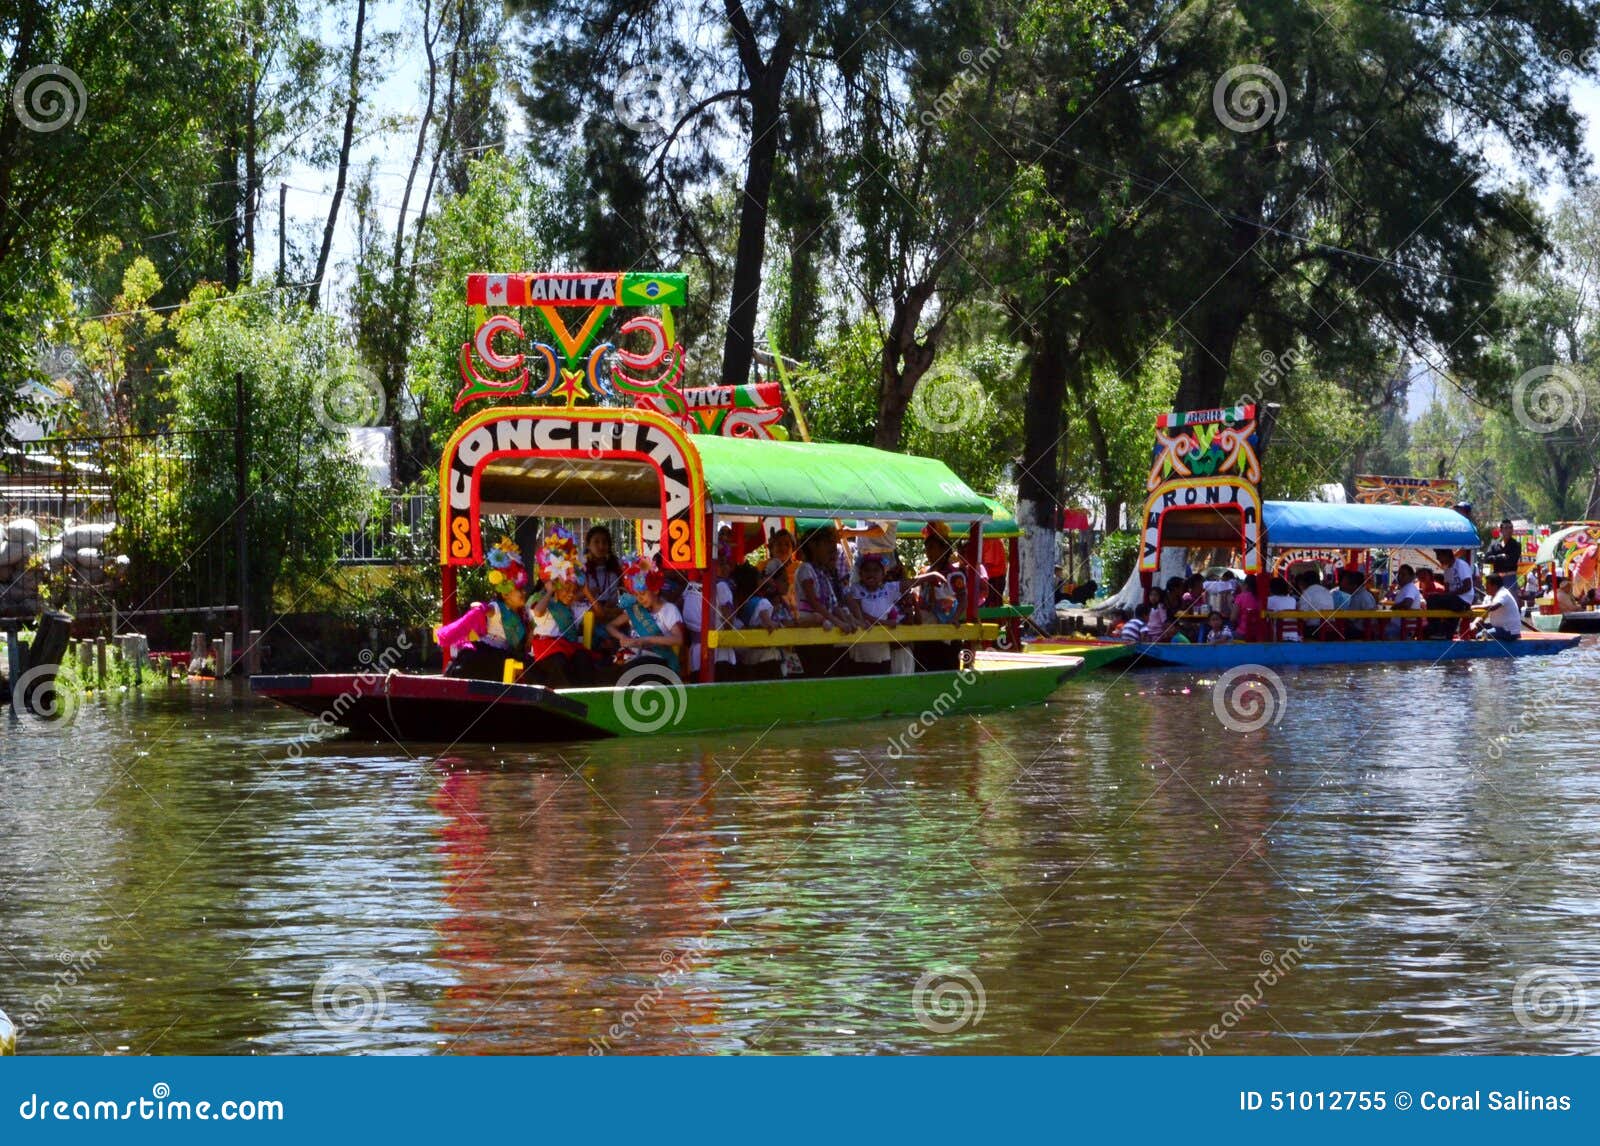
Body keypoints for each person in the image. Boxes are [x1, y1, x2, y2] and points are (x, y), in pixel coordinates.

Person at [436, 536, 530, 680]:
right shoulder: (497, 608)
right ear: (505, 594)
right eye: (519, 590)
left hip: (506, 655)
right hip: (489, 653)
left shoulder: (523, 614)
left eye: (523, 589)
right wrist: (481, 608)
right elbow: (485, 609)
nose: (524, 593)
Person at [526, 526, 596, 687]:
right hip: (546, 649)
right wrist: (550, 591)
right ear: (556, 586)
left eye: (573, 590)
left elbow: (597, 613)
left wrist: (585, 592)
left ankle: (587, 694)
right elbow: (537, 612)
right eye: (566, 589)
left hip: (565, 646)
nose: (570, 594)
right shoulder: (543, 601)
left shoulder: (573, 607)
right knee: (559, 661)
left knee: (583, 657)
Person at [607, 557, 687, 675]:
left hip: (658, 657)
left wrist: (646, 640)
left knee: (631, 670)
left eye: (643, 594)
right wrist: (622, 637)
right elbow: (610, 626)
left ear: (655, 590)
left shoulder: (669, 609)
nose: (640, 598)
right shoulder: (636, 608)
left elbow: (679, 639)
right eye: (636, 594)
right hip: (633, 653)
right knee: (612, 670)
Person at [848, 553, 909, 674]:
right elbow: (860, 614)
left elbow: (911, 583)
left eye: (876, 570)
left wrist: (931, 576)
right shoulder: (855, 589)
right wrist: (885, 623)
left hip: (882, 652)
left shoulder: (888, 590)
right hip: (861, 652)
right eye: (867, 570)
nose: (871, 573)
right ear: (860, 573)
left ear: (883, 574)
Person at [728, 562, 785, 679]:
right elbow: (768, 625)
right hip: (767, 660)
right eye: (760, 577)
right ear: (754, 582)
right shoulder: (762, 603)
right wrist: (777, 624)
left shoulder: (738, 606)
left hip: (746, 661)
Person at [1424, 547, 1475, 637]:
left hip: (1463, 600)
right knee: (1433, 598)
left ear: (1447, 555)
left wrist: (1447, 595)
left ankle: (1436, 630)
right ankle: (1443, 633)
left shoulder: (1461, 565)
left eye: (1439, 556)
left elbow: (1467, 586)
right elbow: (1447, 590)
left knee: (1432, 600)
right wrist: (1441, 595)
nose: (1437, 558)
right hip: (1454, 600)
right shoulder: (1447, 570)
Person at [583, 526, 624, 621]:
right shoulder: (581, 569)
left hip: (613, 614)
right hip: (590, 617)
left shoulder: (618, 567)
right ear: (588, 545)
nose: (601, 546)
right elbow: (574, 598)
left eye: (605, 542)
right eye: (596, 542)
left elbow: (624, 594)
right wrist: (585, 594)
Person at [1478, 572, 1522, 641]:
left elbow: (1493, 607)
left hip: (1508, 631)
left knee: (1478, 636)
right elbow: (1483, 614)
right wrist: (1474, 623)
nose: (1485, 586)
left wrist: (1474, 607)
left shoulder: (1503, 593)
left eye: (1487, 584)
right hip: (1499, 628)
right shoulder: (1488, 596)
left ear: (1494, 586)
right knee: (1477, 629)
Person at [1386, 564, 1422, 638]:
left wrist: (1394, 607)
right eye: (1399, 574)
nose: (1400, 577)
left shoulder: (1410, 588)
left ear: (1411, 577)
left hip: (1402, 627)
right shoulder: (1405, 588)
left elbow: (1407, 603)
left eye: (1403, 575)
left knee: (1376, 633)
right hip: (1399, 625)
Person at [1485, 519, 1522, 592]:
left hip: (1510, 578)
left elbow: (1510, 562)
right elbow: (1487, 559)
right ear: (1501, 530)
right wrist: (1500, 557)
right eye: (1506, 528)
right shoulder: (1494, 544)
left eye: (1511, 527)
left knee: (1509, 601)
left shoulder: (1516, 545)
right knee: (1496, 601)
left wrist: (1495, 559)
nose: (1509, 530)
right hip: (1496, 578)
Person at [1265, 575, 1301, 641]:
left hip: (1276, 636)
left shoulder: (1268, 600)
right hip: (1294, 636)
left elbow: (1266, 620)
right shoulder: (1292, 600)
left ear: (1271, 588)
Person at [1231, 575, 1263, 642]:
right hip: (1259, 633)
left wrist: (1229, 603)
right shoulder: (1262, 598)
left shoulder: (1240, 597)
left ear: (1246, 585)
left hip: (1242, 634)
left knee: (1226, 635)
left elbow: (1233, 618)